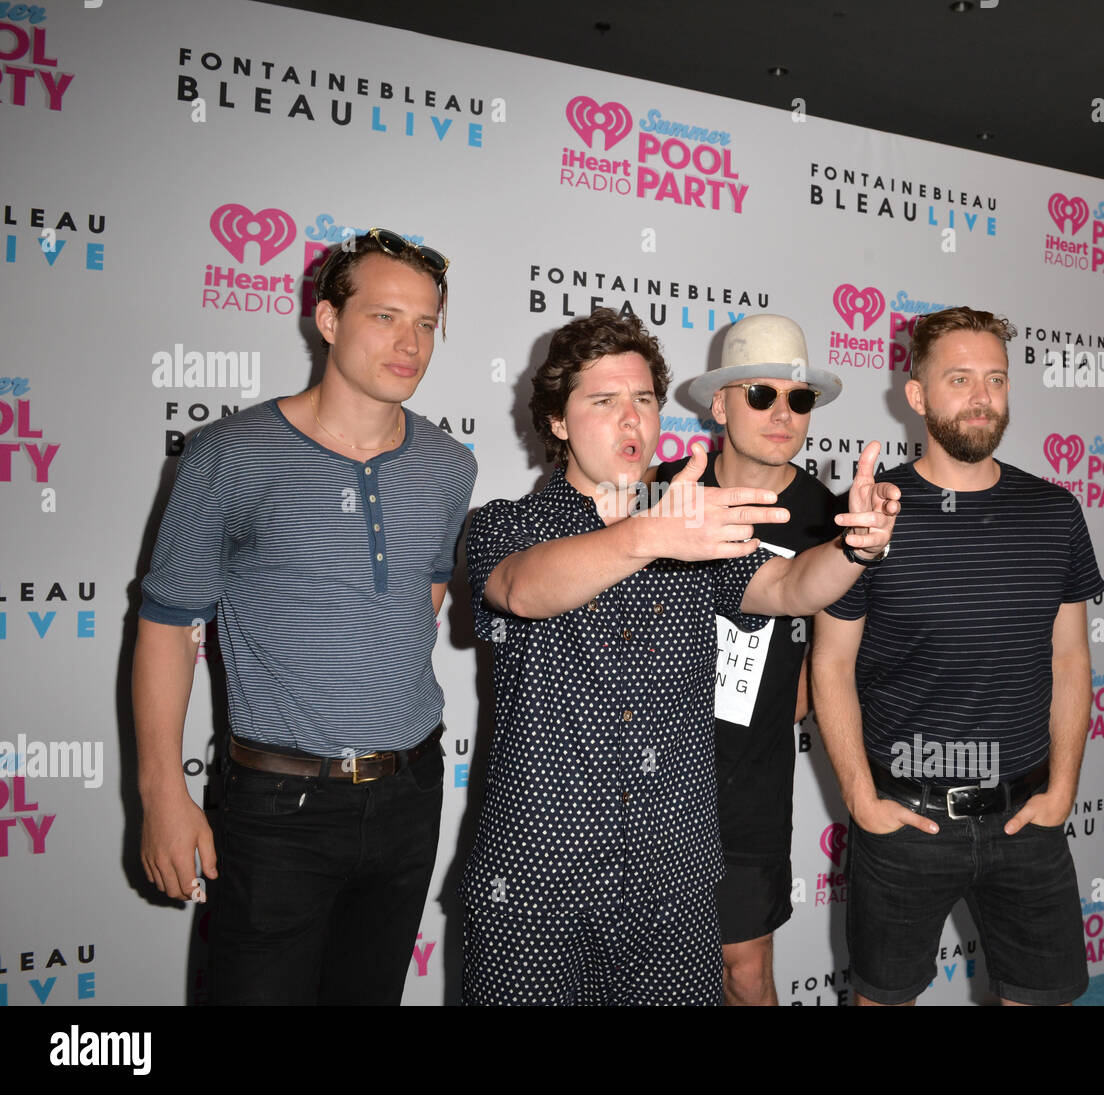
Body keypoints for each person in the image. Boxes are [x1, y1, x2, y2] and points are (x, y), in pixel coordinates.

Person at [462, 308, 899, 1006]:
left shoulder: (696, 533)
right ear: (556, 421)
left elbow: (788, 587)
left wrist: (855, 548)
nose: (631, 420)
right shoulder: (504, 526)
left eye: (643, 400)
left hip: (673, 885)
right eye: (603, 401)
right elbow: (521, 590)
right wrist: (647, 533)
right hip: (538, 882)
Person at [134, 229, 476, 1005]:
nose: (410, 342)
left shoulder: (451, 466)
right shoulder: (231, 454)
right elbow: (166, 625)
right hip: (277, 811)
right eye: (386, 316)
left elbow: (419, 600)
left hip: (410, 795)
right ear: (327, 319)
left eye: (427, 323)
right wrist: (162, 791)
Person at [811, 305, 1104, 1007]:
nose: (982, 397)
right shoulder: (871, 513)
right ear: (916, 396)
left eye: (996, 380)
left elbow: (1069, 659)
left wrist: (1062, 788)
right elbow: (829, 665)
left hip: (1027, 817)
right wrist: (859, 797)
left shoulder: (1055, 511)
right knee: (884, 999)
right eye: (961, 378)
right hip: (905, 820)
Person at [653, 314, 842, 1005]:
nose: (782, 412)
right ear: (721, 404)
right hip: (649, 777)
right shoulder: (663, 493)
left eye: (798, 398)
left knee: (745, 970)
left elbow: (833, 661)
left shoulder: (830, 518)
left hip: (751, 784)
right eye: (760, 395)